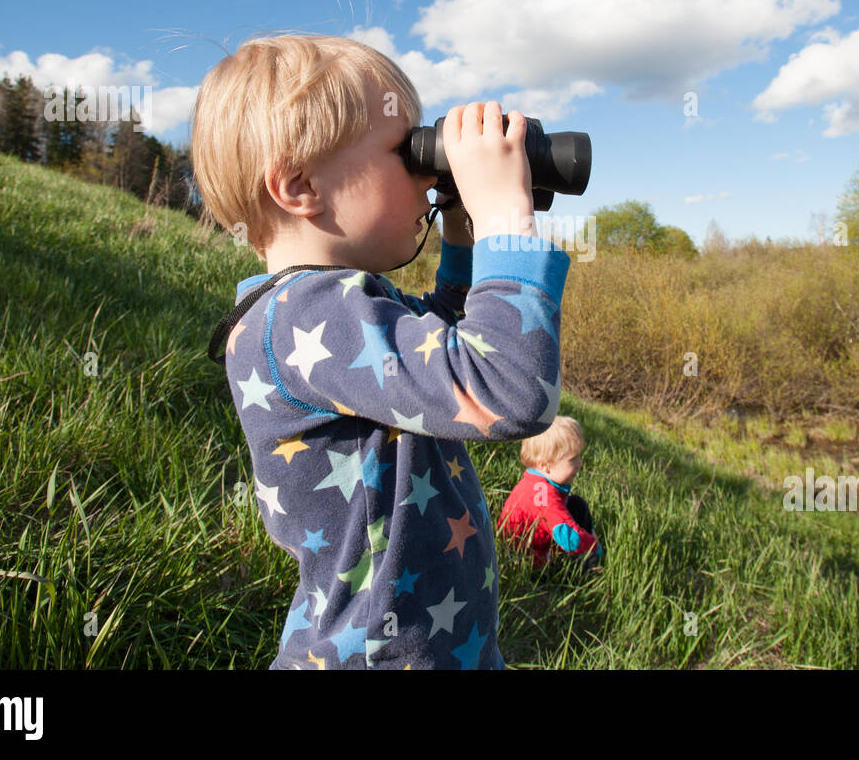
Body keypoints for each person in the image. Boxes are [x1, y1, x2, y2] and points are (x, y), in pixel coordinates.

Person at [192, 35, 569, 669]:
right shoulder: (308, 317)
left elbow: (448, 345)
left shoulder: (325, 311)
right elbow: (505, 389)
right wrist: (506, 216)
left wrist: (461, 228)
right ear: (301, 184)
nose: (428, 172)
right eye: (408, 152)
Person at [498, 415, 601, 568]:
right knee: (585, 556)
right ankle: (589, 568)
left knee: (577, 504)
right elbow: (569, 537)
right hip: (529, 562)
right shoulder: (542, 496)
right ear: (545, 465)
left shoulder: (537, 482)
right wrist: (595, 547)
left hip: (541, 543)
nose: (580, 463)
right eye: (573, 459)